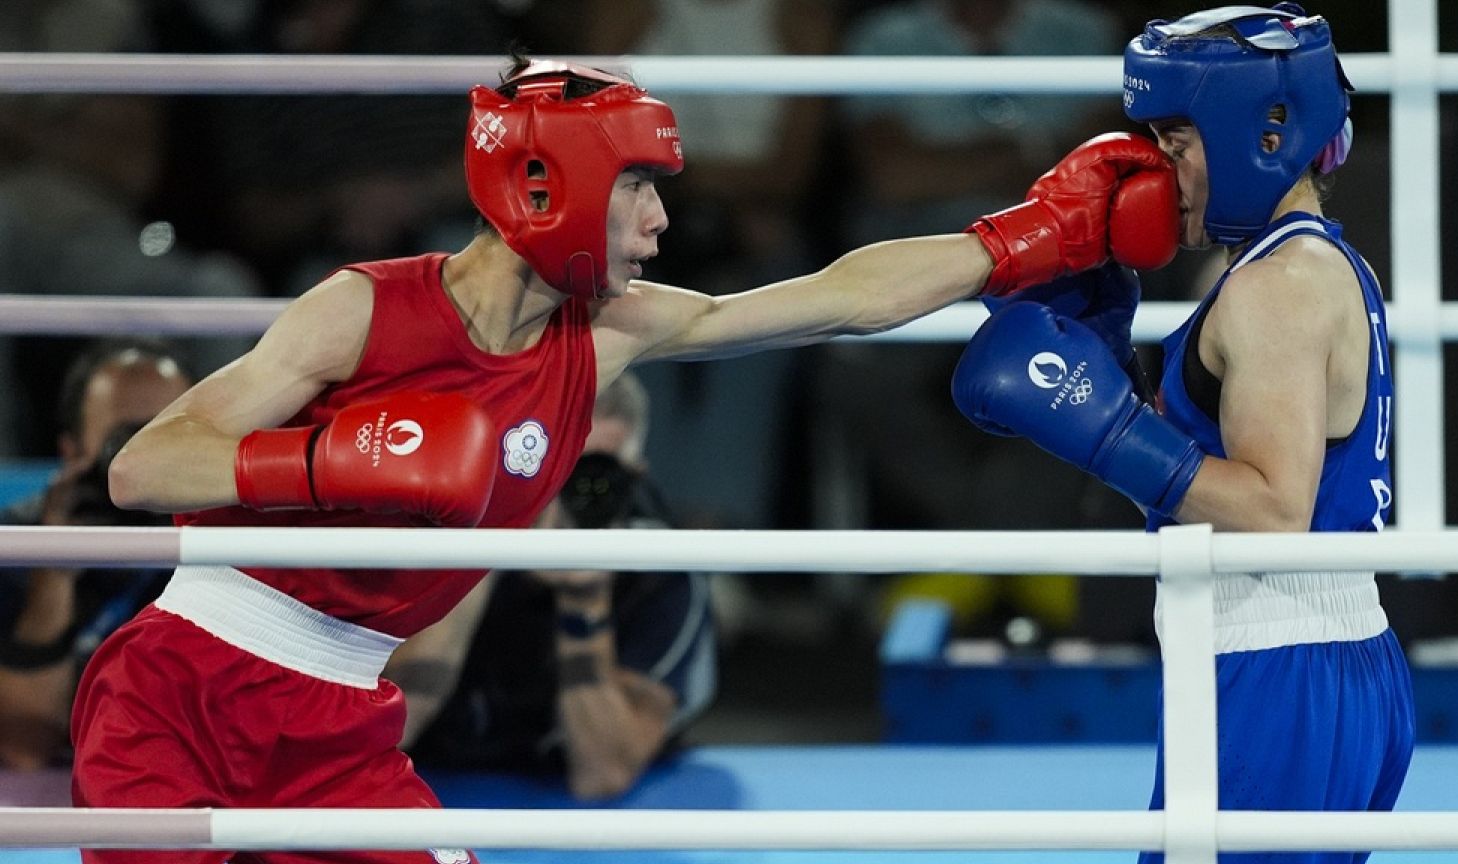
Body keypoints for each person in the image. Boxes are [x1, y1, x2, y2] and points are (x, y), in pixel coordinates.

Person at [88, 55, 1177, 864]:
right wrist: (337, 460)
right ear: (549, 183)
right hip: (180, 686)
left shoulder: (612, 327)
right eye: (639, 187)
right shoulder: (364, 310)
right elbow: (145, 469)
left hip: (343, 722)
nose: (660, 220)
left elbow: (837, 298)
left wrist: (1023, 238)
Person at [950, 6, 1413, 863]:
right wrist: (1120, 387)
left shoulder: (1278, 286)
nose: (1159, 172)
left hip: (1277, 668)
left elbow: (1274, 510)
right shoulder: (1301, 262)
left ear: (1263, 132)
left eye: (1177, 141)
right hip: (1312, 662)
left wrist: (1106, 427)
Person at [392, 373, 715, 800]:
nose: (565, 492)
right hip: (432, 772)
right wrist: (487, 548)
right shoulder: (427, 530)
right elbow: (396, 729)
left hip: (563, 789)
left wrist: (585, 600)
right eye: (552, 466)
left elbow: (602, 775)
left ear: (633, 475)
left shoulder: (660, 568)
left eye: (591, 471)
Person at [0, 339, 192, 770]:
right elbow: (23, 747)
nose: (147, 457)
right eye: (125, 439)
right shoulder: (14, 546)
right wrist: (52, 574)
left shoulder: (235, 540)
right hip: (51, 811)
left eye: (168, 434)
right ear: (72, 452)